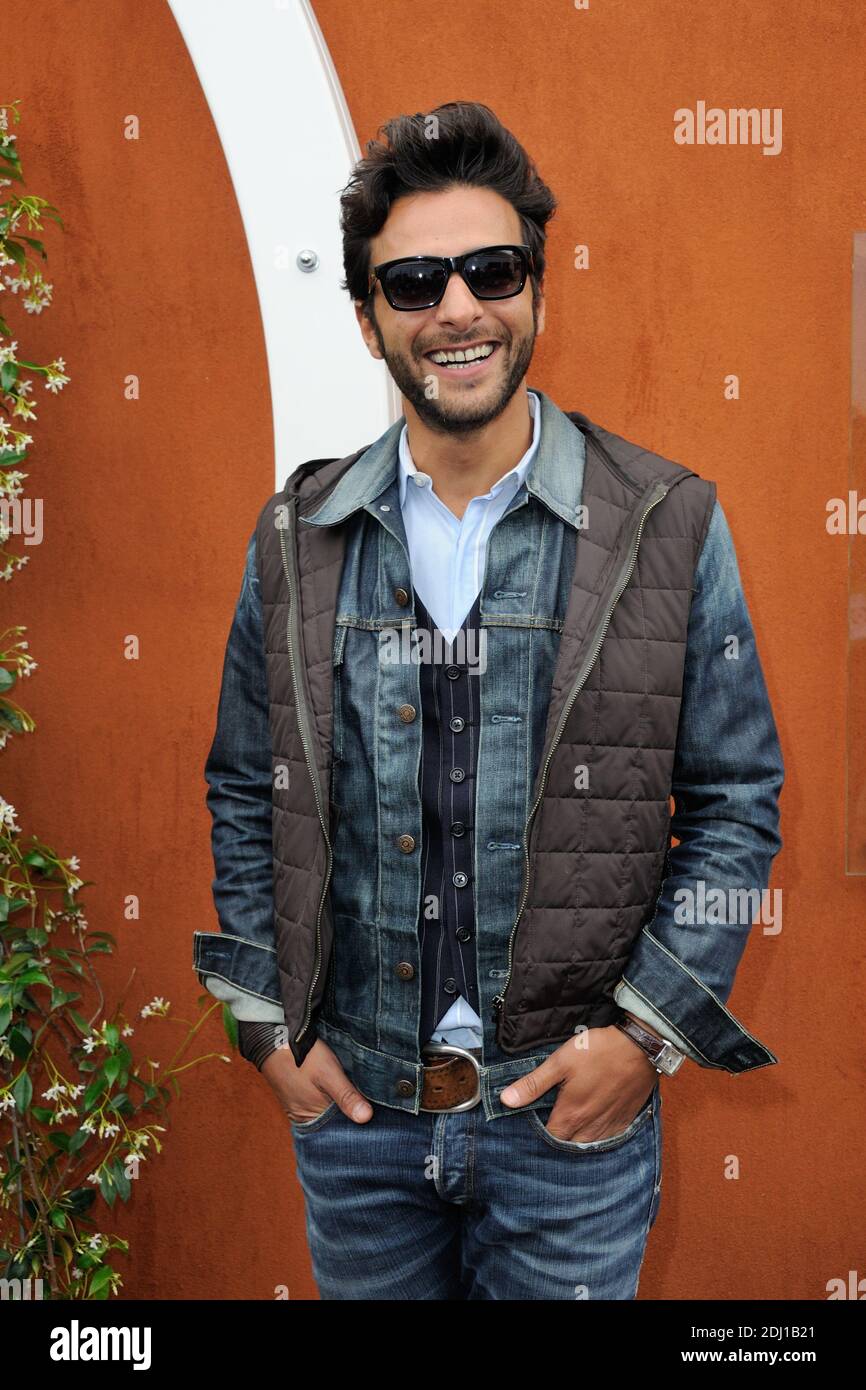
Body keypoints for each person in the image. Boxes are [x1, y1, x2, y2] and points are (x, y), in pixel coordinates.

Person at [194, 101, 784, 1300]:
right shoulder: (295, 537)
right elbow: (245, 788)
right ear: (369, 321)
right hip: (358, 1122)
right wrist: (265, 1026)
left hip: (567, 1129)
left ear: (535, 294)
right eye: (412, 282)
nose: (455, 306)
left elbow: (732, 799)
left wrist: (643, 1036)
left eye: (489, 269)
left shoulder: (665, 524)